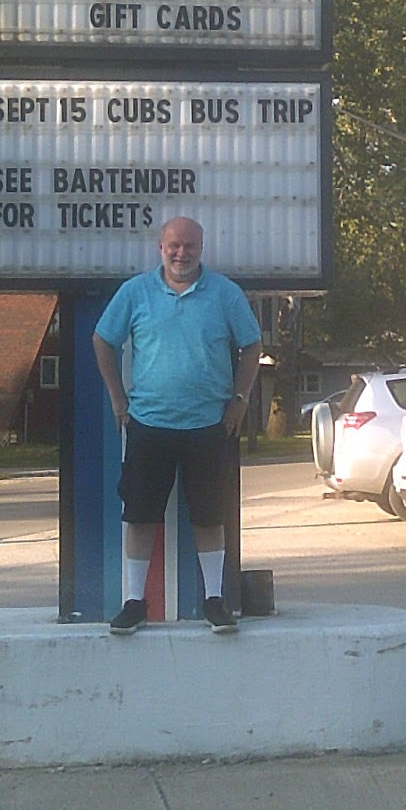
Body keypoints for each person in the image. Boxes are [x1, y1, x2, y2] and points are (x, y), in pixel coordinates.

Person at [93, 215, 262, 635]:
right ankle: (134, 602)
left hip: (209, 425)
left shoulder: (225, 294)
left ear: (201, 248)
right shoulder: (135, 292)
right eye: (174, 245)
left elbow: (252, 344)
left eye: (189, 245)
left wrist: (240, 400)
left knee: (209, 515)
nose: (181, 253)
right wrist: (117, 397)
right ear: (160, 248)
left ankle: (214, 601)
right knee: (140, 514)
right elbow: (103, 339)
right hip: (149, 424)